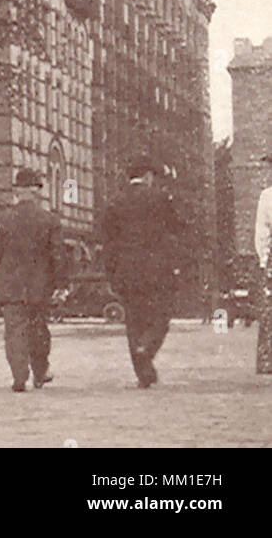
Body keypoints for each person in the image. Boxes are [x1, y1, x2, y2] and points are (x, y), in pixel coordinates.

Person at [102, 153, 188, 388]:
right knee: (161, 315)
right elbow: (177, 228)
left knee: (134, 320)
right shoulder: (161, 198)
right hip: (157, 269)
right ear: (148, 176)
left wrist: (111, 273)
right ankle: (147, 348)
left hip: (126, 271)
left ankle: (143, 373)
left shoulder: (115, 202)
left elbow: (108, 242)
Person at [0, 168, 66, 392]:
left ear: (17, 191)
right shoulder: (49, 220)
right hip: (39, 287)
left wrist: (5, 274)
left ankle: (19, 376)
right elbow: (58, 255)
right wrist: (59, 283)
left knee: (14, 332)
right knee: (38, 330)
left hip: (11, 286)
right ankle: (40, 372)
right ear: (37, 191)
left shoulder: (3, 219)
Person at [253, 178, 272, 373]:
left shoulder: (267, 196)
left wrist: (264, 259)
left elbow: (263, 231)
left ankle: (267, 360)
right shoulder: (267, 196)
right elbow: (263, 231)